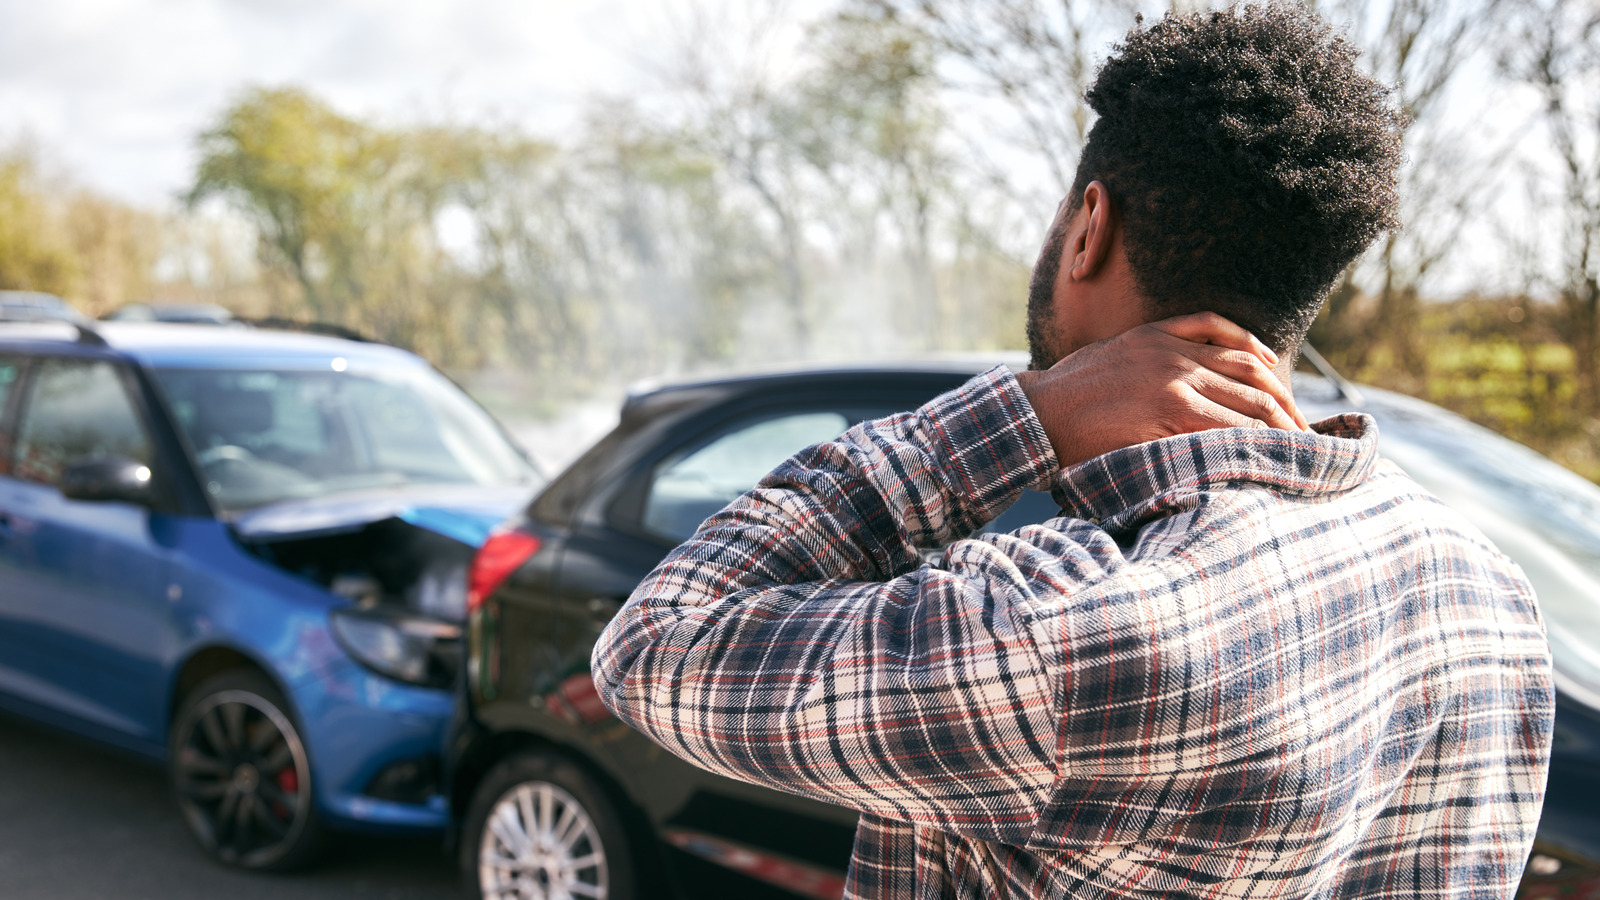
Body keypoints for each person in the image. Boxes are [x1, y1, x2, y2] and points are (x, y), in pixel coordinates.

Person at [592, 5, 1554, 898]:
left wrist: (1029, 415)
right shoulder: (1487, 593)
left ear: (1089, 226)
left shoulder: (1059, 629)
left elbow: (656, 644)